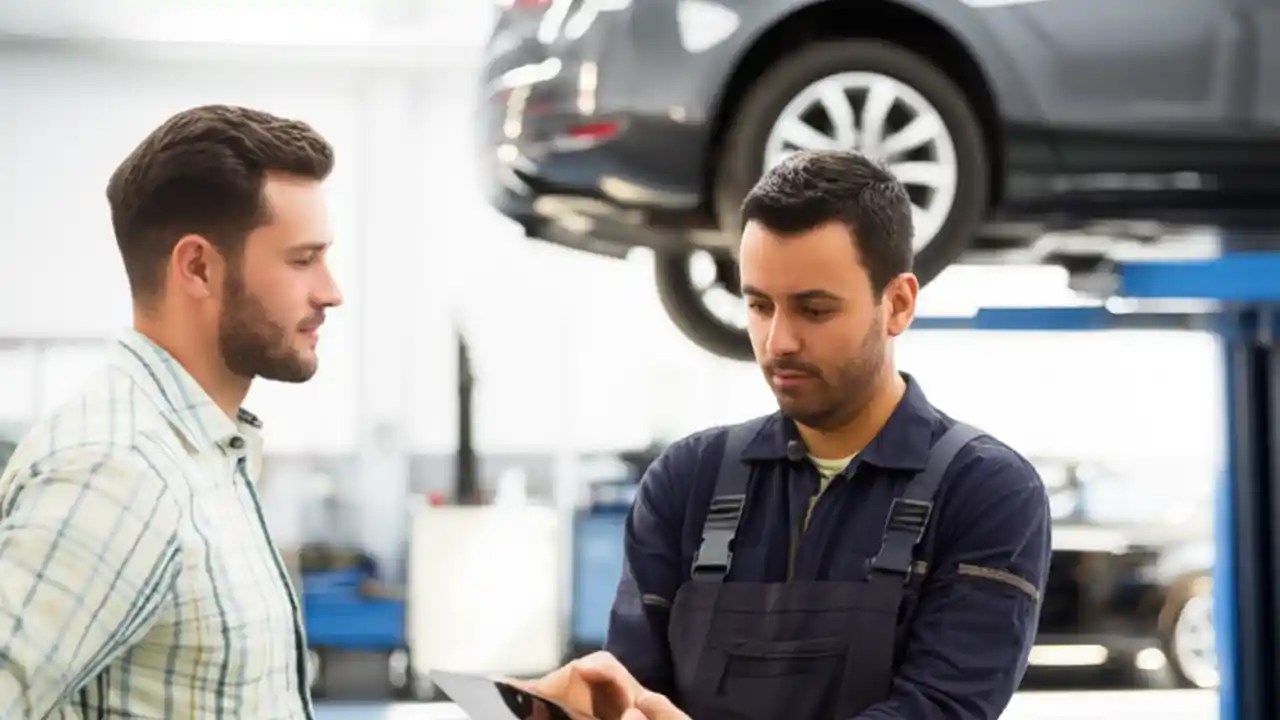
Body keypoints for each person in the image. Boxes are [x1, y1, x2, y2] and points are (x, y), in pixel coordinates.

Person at [531, 150, 1052, 720]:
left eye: (814, 309)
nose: (778, 341)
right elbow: (635, 686)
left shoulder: (986, 491)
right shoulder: (687, 483)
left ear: (898, 303)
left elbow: (939, 708)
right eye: (758, 305)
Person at [0, 104, 342, 718]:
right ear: (198, 267)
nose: (330, 290)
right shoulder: (118, 469)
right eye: (301, 260)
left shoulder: (203, 454)